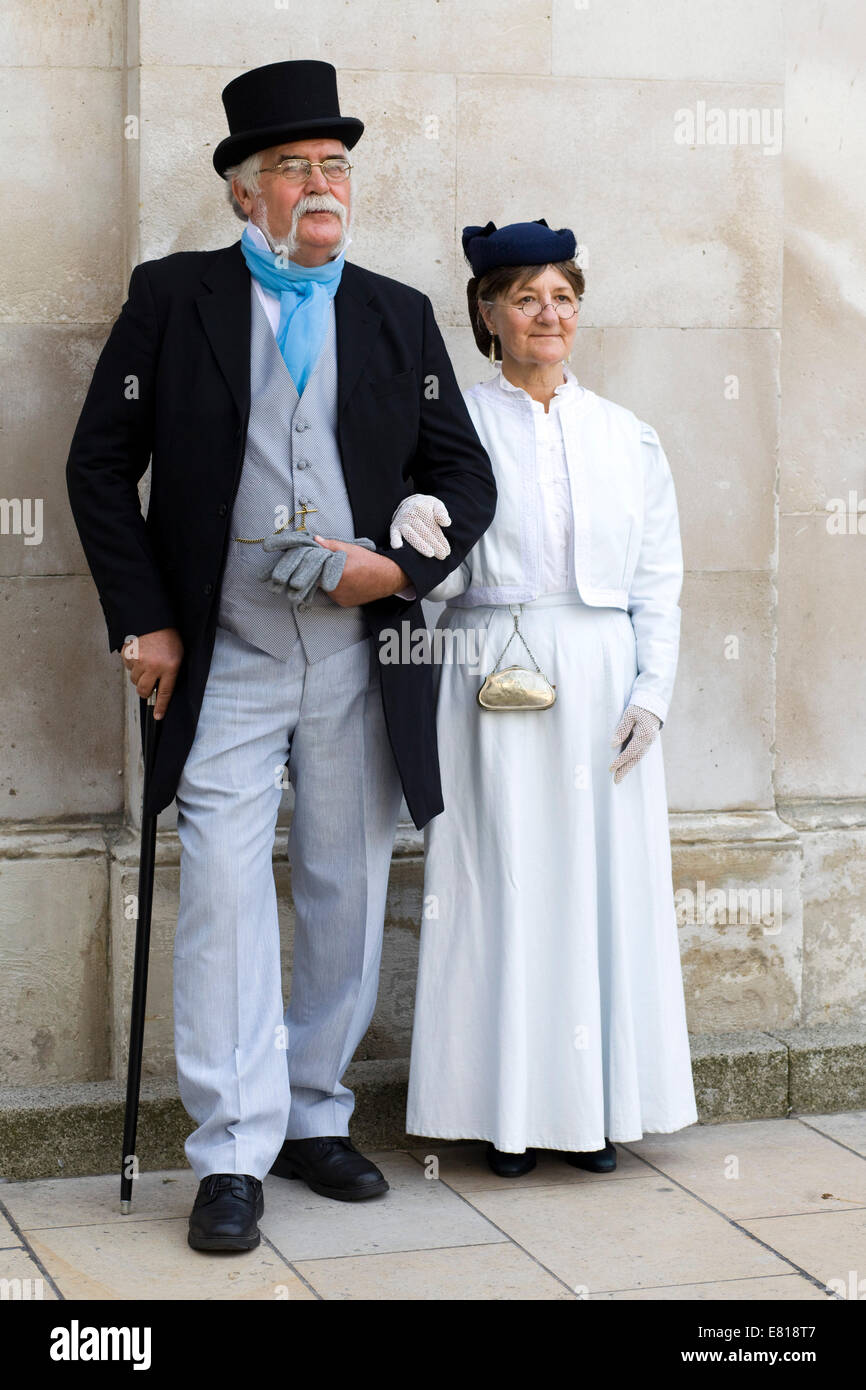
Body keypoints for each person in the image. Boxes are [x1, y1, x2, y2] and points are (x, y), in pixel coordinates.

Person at [66, 60, 496, 1252]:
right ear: (241, 194)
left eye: (336, 166)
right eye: (295, 168)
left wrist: (397, 570)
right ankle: (230, 1148)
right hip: (228, 655)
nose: (322, 185)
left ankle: (313, 1112)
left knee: (346, 893)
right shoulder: (172, 298)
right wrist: (141, 617)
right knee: (218, 897)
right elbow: (100, 462)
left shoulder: (397, 312)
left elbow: (464, 476)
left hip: (359, 656)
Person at [406, 218, 698, 1176]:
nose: (548, 314)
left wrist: (652, 694)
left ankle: (597, 1112)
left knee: (597, 888)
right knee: (500, 884)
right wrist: (409, 523)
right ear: (488, 314)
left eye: (563, 297)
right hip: (488, 663)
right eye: (525, 298)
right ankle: (506, 1117)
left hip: (601, 674)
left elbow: (659, 576)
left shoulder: (626, 435)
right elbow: (433, 574)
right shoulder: (455, 425)